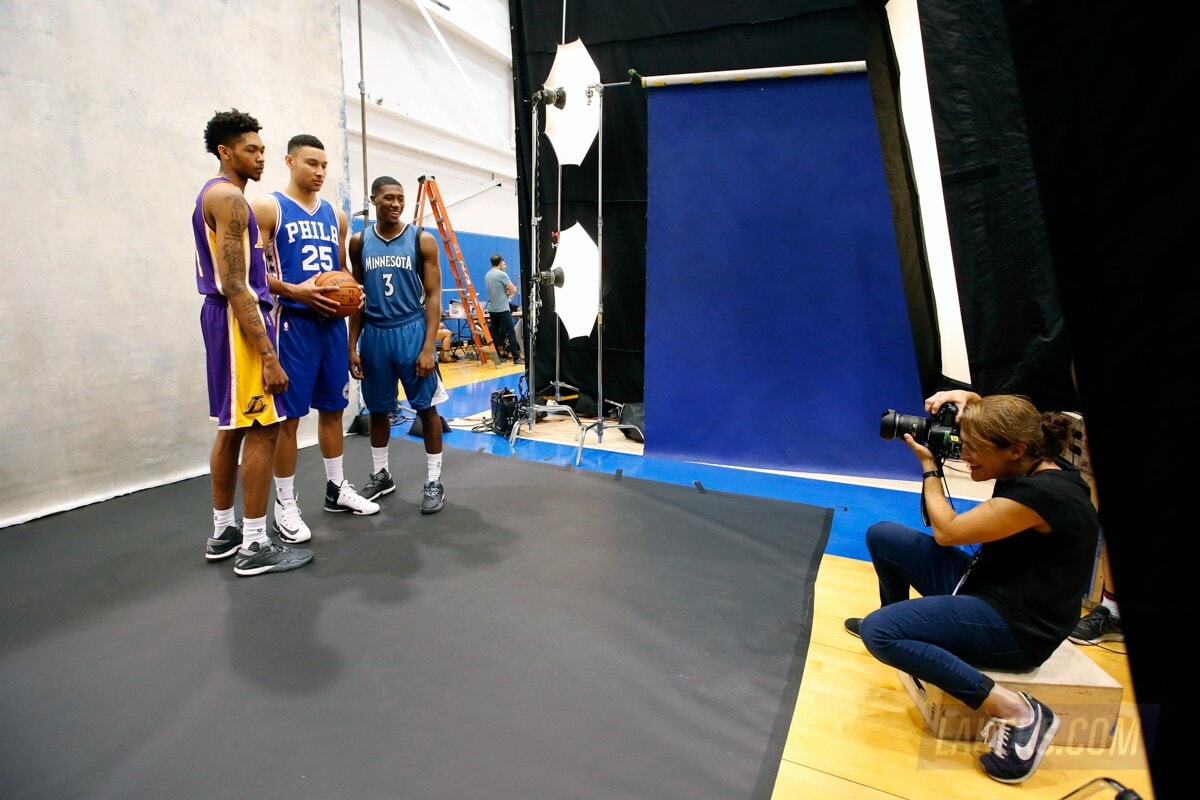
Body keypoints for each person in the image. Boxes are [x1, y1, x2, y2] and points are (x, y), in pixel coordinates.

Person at [844, 389, 1099, 784]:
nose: (964, 454)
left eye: (975, 448)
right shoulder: (1037, 460)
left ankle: (1019, 712)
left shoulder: (1043, 496)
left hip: (1018, 628)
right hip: (986, 587)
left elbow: (947, 532)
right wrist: (967, 399)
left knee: (881, 633)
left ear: (1015, 449)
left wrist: (930, 468)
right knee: (884, 535)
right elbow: (1004, 415)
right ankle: (902, 623)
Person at [192, 109, 312, 576]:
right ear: (226, 152)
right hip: (238, 320)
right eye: (251, 150)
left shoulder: (215, 196)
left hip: (221, 318)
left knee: (231, 427)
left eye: (263, 149)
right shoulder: (231, 200)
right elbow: (237, 284)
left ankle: (224, 532)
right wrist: (267, 354)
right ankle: (256, 544)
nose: (261, 157)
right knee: (262, 428)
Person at [251, 134, 379, 544]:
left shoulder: (336, 216)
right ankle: (285, 504)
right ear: (289, 162)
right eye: (311, 163)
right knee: (289, 420)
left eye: (324, 165)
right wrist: (295, 290)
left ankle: (337, 488)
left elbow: (340, 269)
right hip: (293, 325)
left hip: (331, 328)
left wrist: (351, 292)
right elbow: (252, 277)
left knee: (333, 410)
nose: (320, 172)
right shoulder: (269, 206)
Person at [348, 176, 448, 514]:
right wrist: (352, 346)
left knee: (426, 408)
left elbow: (434, 296)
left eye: (400, 199)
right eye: (388, 198)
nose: (395, 204)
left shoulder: (422, 240)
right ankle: (381, 475)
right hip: (375, 333)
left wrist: (428, 347)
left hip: (411, 329)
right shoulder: (359, 242)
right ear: (374, 198)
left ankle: (434, 480)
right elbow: (356, 298)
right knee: (378, 409)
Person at [484, 253, 522, 364]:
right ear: (500, 262)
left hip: (492, 309)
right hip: (503, 309)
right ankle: (516, 358)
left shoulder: (487, 275)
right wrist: (509, 295)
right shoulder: (502, 274)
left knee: (495, 334)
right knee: (511, 333)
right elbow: (513, 290)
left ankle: (498, 356)